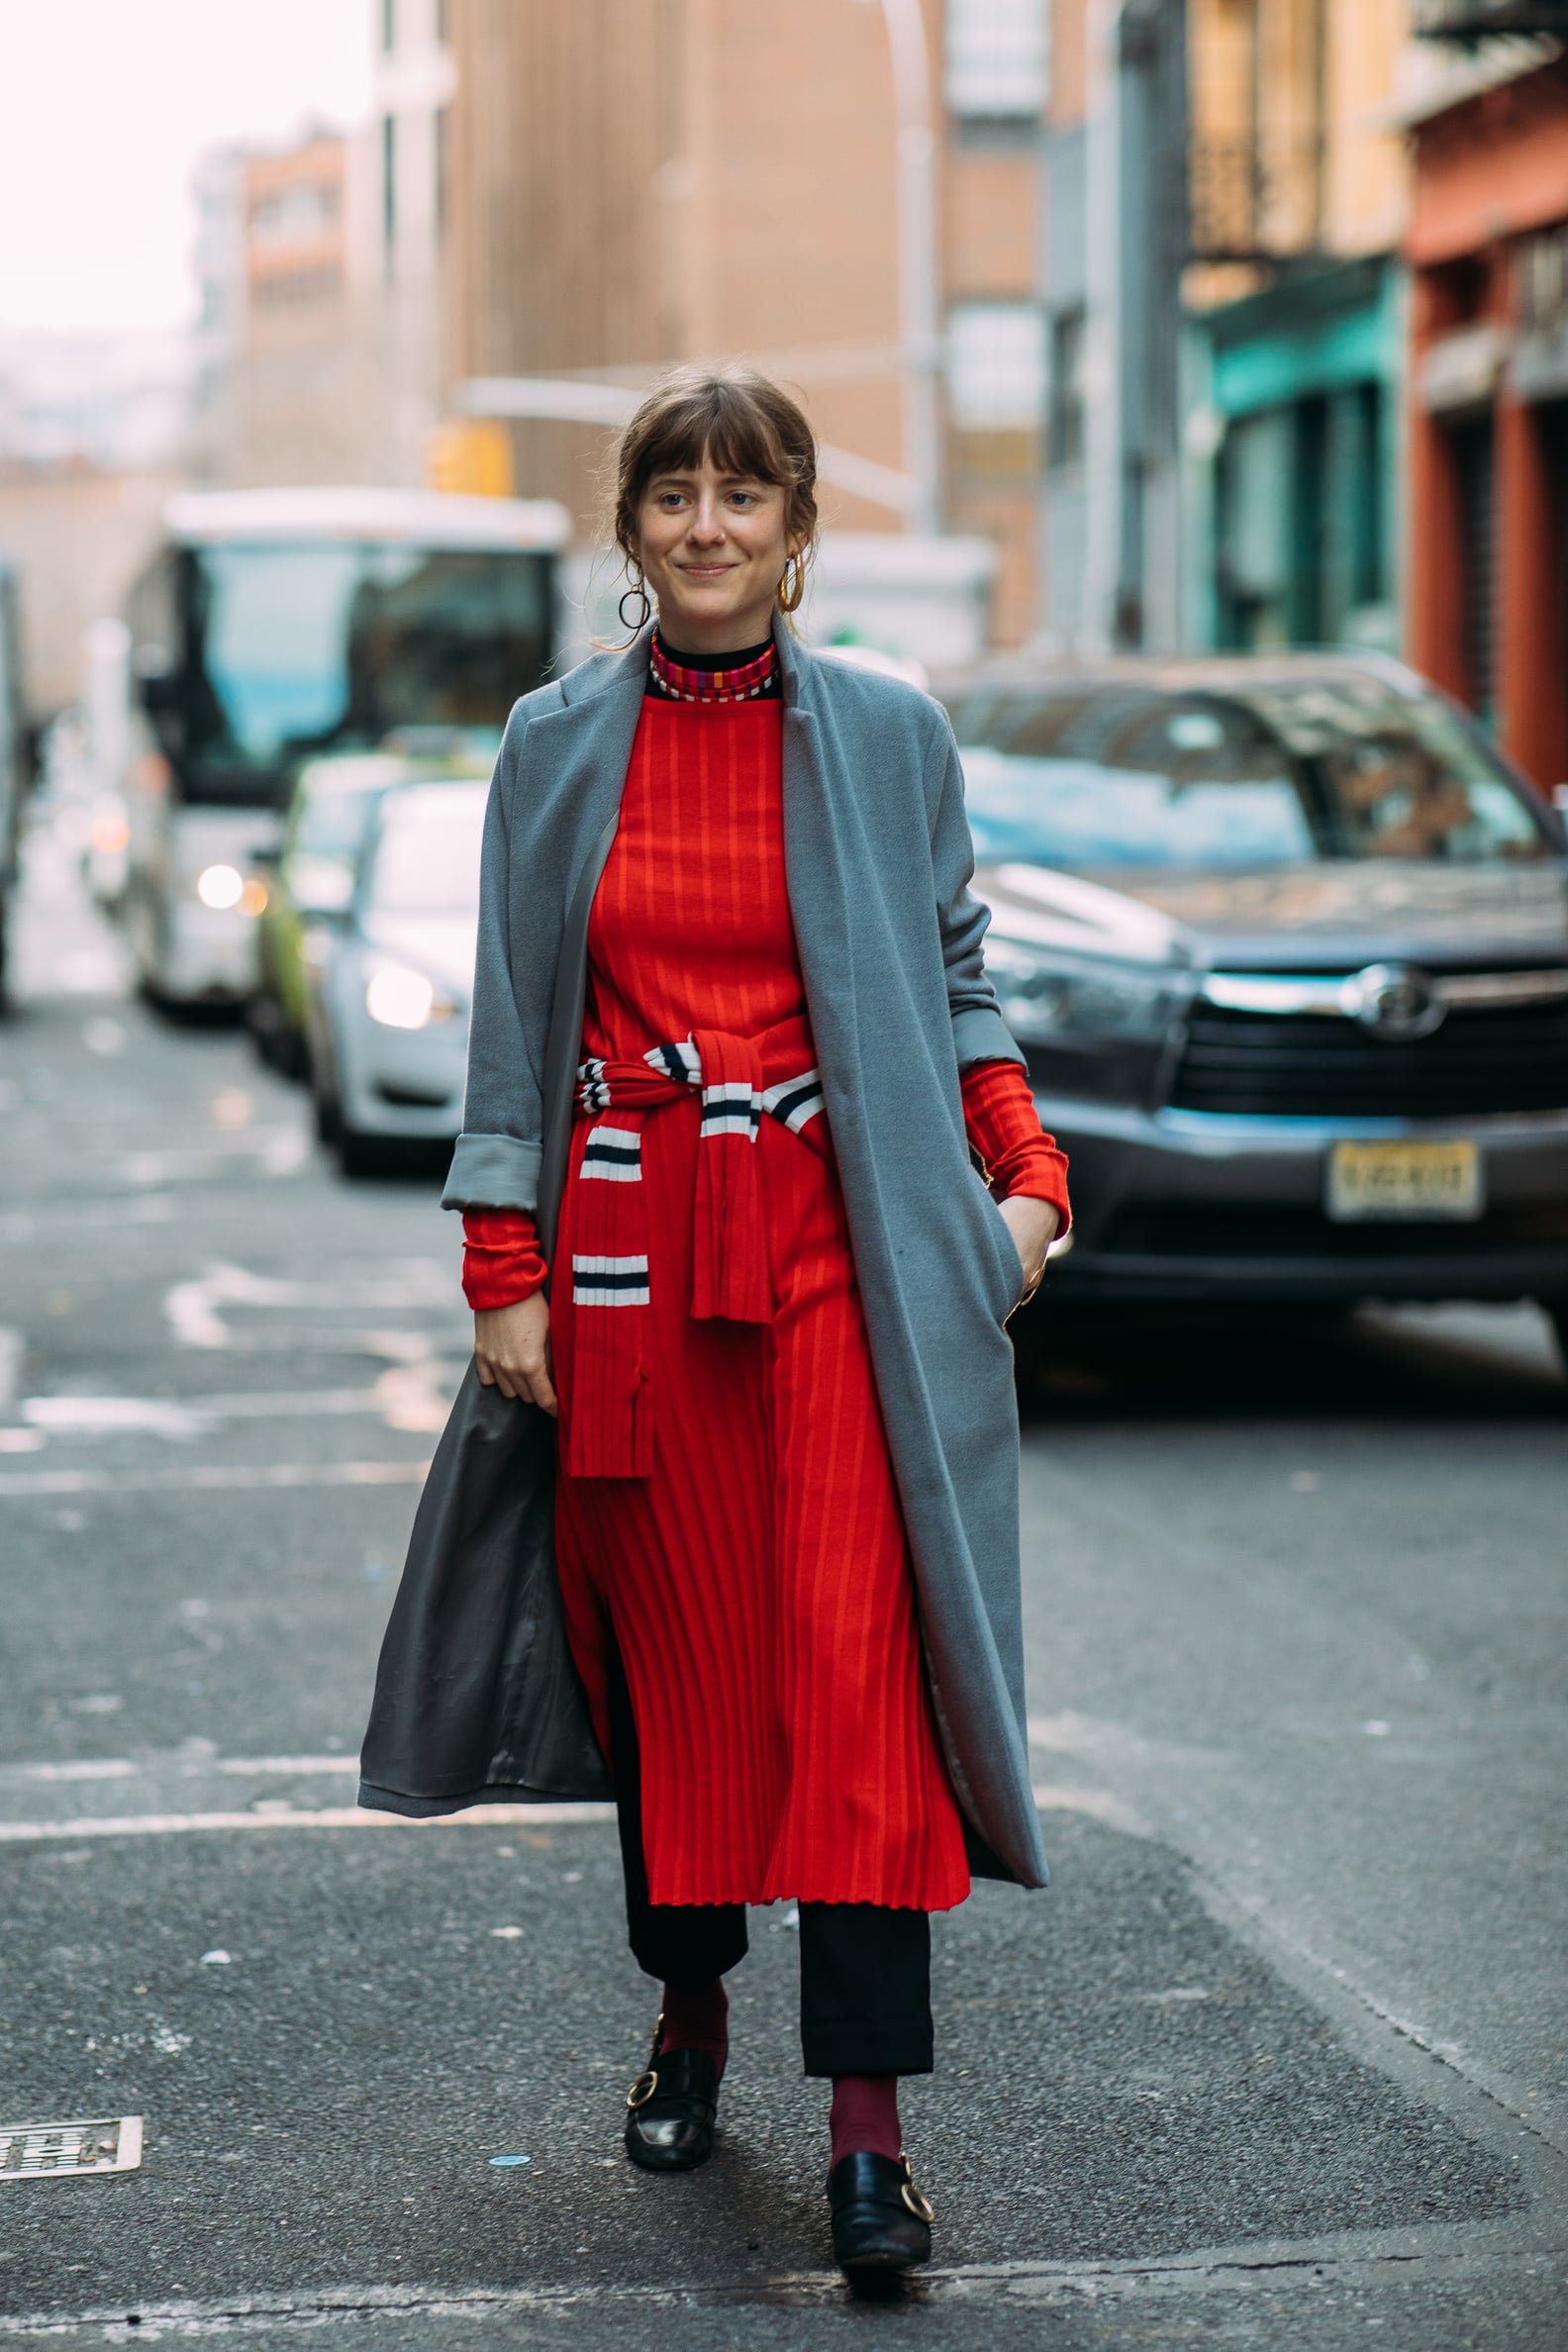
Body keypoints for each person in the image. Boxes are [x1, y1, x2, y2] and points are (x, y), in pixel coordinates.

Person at [420, 366, 1067, 2277]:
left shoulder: (886, 732)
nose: (709, 526)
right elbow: (510, 1026)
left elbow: (955, 977)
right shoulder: (554, 744)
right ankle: (691, 2016)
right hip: (628, 1274)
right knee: (683, 1679)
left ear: (798, 529)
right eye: (674, 496)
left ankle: (869, 2138)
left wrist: (1020, 1172)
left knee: (864, 1686)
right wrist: (500, 1269)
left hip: (844, 1265)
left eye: (746, 494)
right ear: (629, 533)